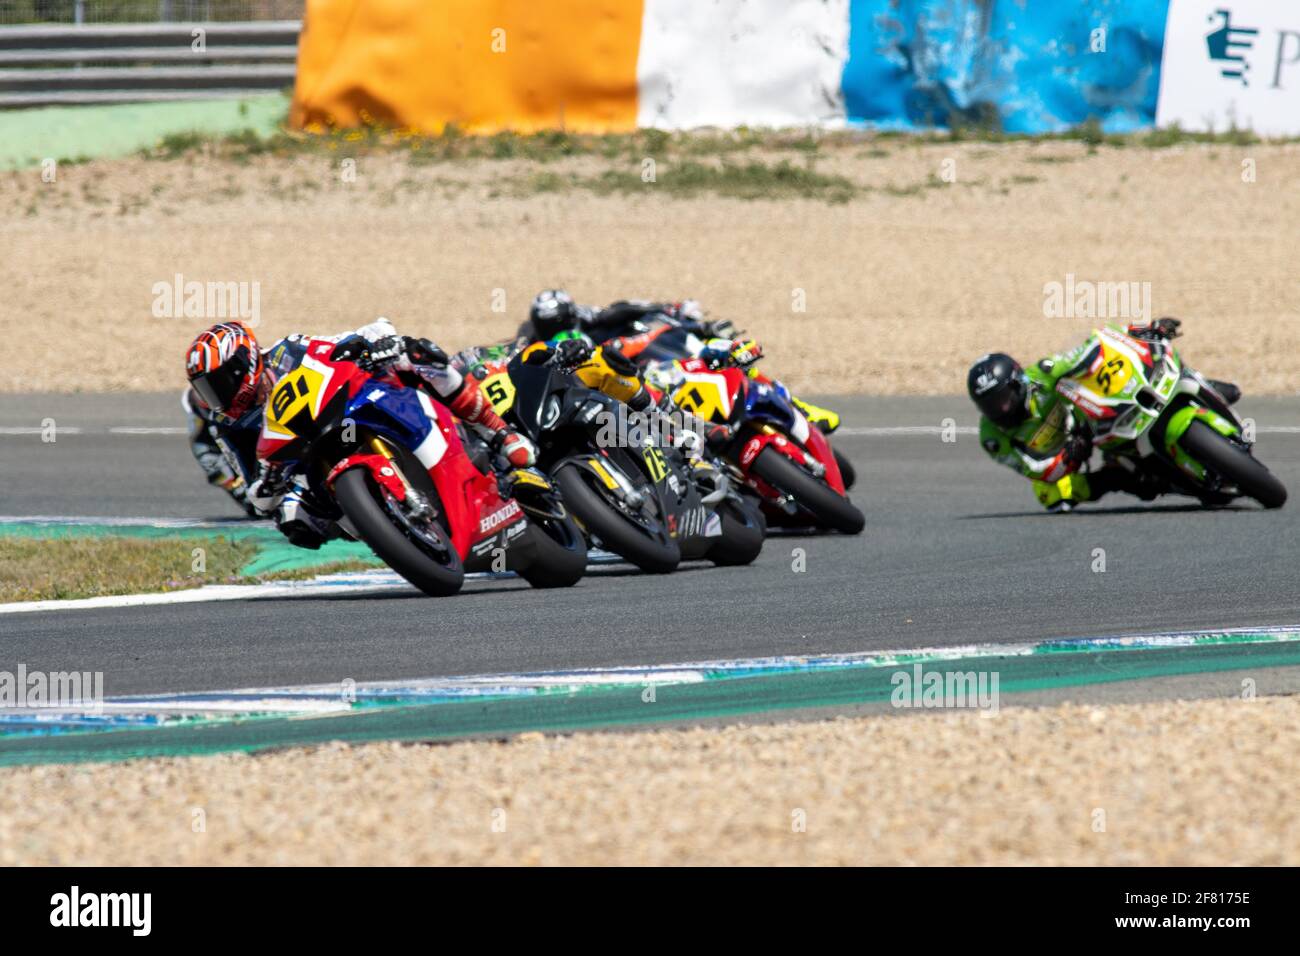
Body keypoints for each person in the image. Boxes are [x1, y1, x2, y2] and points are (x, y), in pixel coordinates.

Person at [184, 319, 535, 547]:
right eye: (207, 388)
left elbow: (347, 340)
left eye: (220, 382)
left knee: (416, 355)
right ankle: (390, 529)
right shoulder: (229, 426)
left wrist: (374, 343)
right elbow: (256, 496)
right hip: (310, 468)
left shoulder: (286, 351)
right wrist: (269, 482)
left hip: (350, 410)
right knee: (292, 518)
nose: (217, 395)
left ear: (245, 363)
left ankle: (500, 433)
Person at [968, 317, 1241, 512]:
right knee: (1052, 495)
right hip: (1066, 452)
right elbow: (1032, 468)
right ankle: (1126, 479)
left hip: (1091, 415)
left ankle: (1201, 385)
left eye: (1002, 400)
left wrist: (1146, 330)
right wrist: (1067, 458)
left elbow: (1098, 343)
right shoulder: (991, 436)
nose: (999, 410)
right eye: (989, 405)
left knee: (1150, 364)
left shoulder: (1042, 373)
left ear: (1018, 383)